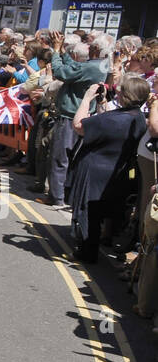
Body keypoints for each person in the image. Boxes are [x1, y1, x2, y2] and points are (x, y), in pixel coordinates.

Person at [67, 75, 150, 262]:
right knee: (101, 211)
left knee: (90, 212)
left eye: (120, 89)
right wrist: (102, 101)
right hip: (116, 169)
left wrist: (87, 98)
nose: (117, 91)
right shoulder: (137, 117)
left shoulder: (115, 120)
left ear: (126, 94)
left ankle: (87, 252)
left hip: (96, 169)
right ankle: (94, 246)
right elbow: (107, 119)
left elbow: (79, 125)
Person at [47, 32, 111, 208]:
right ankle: (64, 195)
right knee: (71, 157)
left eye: (91, 47)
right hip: (84, 116)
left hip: (70, 116)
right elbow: (75, 66)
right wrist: (64, 53)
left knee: (61, 156)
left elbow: (62, 72)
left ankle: (57, 196)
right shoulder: (101, 65)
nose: (89, 48)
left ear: (96, 49)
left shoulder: (92, 67)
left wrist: (56, 51)